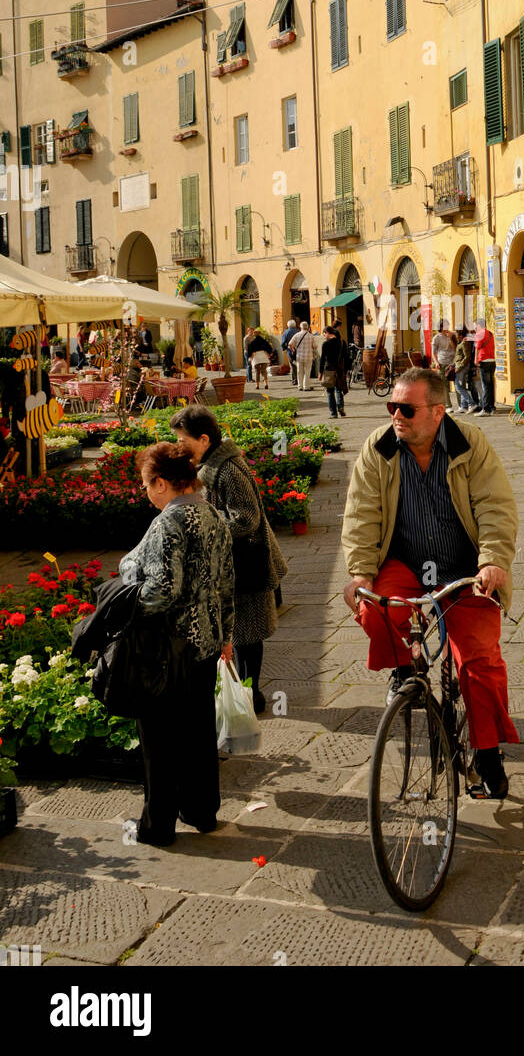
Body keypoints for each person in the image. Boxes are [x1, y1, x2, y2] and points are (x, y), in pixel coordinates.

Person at [341, 367, 518, 798]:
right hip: (404, 559)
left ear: (438, 412)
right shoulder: (379, 448)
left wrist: (493, 562)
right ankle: (405, 672)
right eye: (391, 407)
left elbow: (495, 507)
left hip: (463, 567)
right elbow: (362, 514)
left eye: (406, 408)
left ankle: (488, 754)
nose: (395, 416)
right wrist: (360, 570)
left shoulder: (470, 444)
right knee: (374, 606)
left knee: (479, 662)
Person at [118, 443, 234, 846]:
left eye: (147, 484)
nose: (144, 492)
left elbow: (163, 590)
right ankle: (201, 812)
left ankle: (157, 826)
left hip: (168, 647)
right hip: (204, 642)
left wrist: (126, 593)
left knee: (159, 738)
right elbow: (225, 584)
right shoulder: (212, 514)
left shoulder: (171, 521)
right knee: (198, 731)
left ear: (162, 482)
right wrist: (227, 636)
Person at [170, 406, 287, 714]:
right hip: (233, 561)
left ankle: (251, 695)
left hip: (247, 561)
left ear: (204, 439)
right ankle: (246, 691)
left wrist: (206, 523)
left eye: (183, 439)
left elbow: (246, 519)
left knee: (248, 633)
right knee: (239, 633)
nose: (179, 445)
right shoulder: (210, 464)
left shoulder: (229, 469)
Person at [320, 325, 347, 418]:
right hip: (339, 369)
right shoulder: (342, 342)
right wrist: (346, 371)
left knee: (330, 391)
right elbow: (346, 357)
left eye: (324, 334)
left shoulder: (326, 344)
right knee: (339, 389)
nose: (324, 337)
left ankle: (333, 413)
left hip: (329, 369)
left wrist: (320, 372)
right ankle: (341, 407)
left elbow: (322, 359)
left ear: (327, 332)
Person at [431, 321, 457, 410]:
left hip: (452, 362)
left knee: (456, 383)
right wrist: (436, 362)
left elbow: (455, 348)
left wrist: (450, 338)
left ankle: (462, 405)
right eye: (446, 325)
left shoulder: (451, 335)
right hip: (442, 362)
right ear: (441, 327)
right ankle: (448, 406)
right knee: (444, 385)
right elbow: (433, 352)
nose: (447, 327)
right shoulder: (436, 338)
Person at [453, 327, 479, 413]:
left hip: (462, 367)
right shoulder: (463, 341)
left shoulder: (464, 342)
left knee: (458, 386)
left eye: (456, 333)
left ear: (459, 333)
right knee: (462, 386)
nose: (455, 334)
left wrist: (459, 367)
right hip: (461, 365)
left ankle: (471, 403)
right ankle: (464, 406)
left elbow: (467, 357)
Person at [473, 319, 496, 415]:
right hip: (492, 361)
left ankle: (485, 409)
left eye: (475, 326)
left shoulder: (479, 334)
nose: (474, 328)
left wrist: (475, 360)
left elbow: (477, 348)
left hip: (484, 361)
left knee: (485, 386)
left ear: (479, 325)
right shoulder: (490, 333)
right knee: (490, 385)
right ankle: (491, 407)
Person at [290, 321, 315, 391]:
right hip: (309, 356)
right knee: (307, 371)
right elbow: (315, 346)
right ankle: (306, 386)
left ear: (300, 327)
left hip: (299, 356)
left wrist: (293, 350)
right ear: (307, 327)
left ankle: (300, 386)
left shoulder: (296, 335)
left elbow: (290, 344)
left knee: (299, 371)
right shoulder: (311, 336)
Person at [281, 318, 299, 385]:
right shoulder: (298, 331)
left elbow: (283, 342)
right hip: (298, 350)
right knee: (299, 365)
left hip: (290, 351)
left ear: (288, 325)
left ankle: (294, 380)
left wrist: (284, 348)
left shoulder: (286, 332)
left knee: (293, 366)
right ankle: (300, 379)